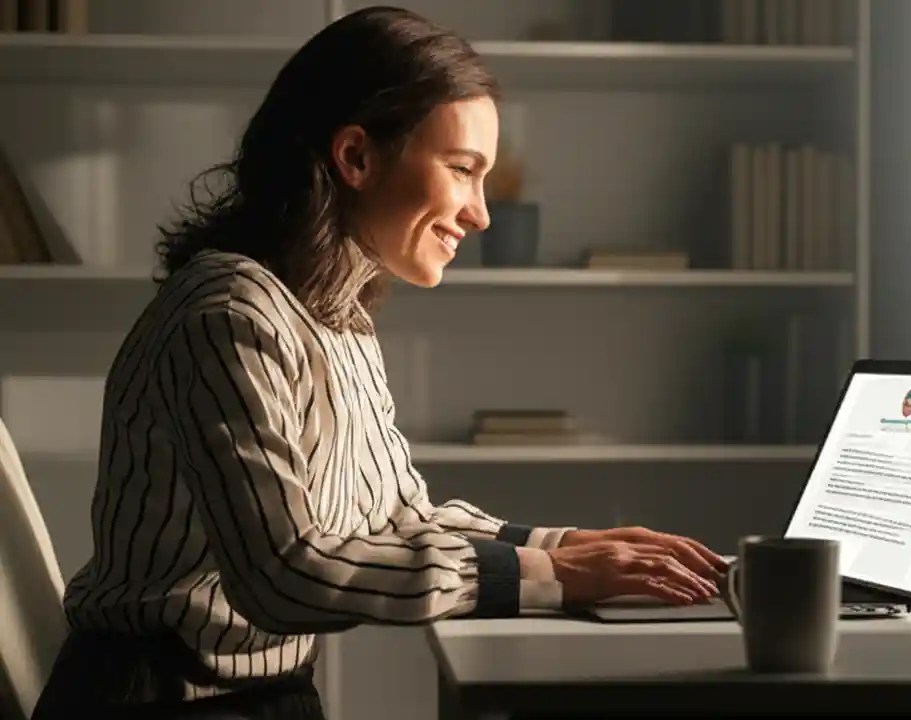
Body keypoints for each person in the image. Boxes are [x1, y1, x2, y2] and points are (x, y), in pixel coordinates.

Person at [31, 7, 726, 719]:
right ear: (356, 157)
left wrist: (568, 547)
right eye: (463, 170)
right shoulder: (228, 313)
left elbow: (395, 516)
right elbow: (283, 572)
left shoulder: (336, 315)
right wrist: (550, 575)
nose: (482, 214)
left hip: (254, 696)